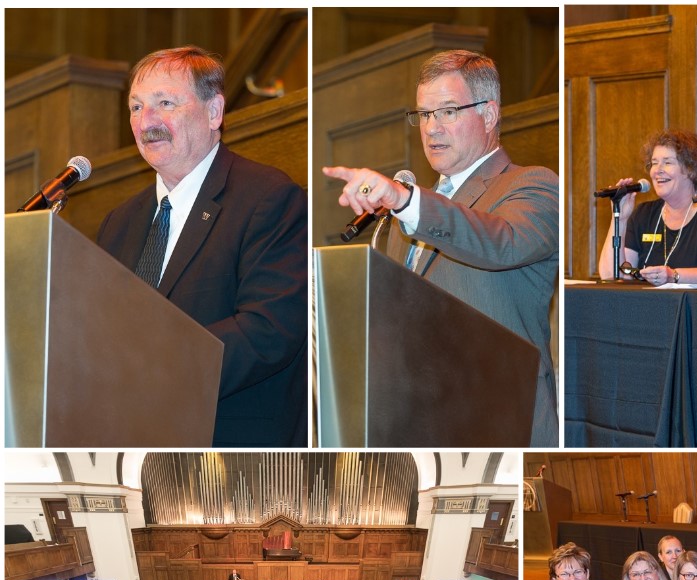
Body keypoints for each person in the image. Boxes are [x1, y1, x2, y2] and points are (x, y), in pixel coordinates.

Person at [323, 49, 559, 445]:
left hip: (499, 415)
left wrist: (406, 201)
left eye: (447, 111)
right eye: (424, 114)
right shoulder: (408, 214)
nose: (432, 128)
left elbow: (501, 242)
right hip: (416, 418)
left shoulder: (531, 185)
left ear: (489, 114)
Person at [94, 46, 306, 446]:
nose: (146, 121)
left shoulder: (269, 198)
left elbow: (269, 329)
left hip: (229, 446)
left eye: (165, 103)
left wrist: (156, 371)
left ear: (214, 112)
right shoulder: (118, 223)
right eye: (136, 107)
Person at [598, 129, 697, 285]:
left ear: (691, 169)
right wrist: (619, 219)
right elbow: (611, 275)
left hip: (694, 301)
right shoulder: (644, 214)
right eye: (654, 163)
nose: (657, 170)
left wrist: (674, 276)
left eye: (667, 162)